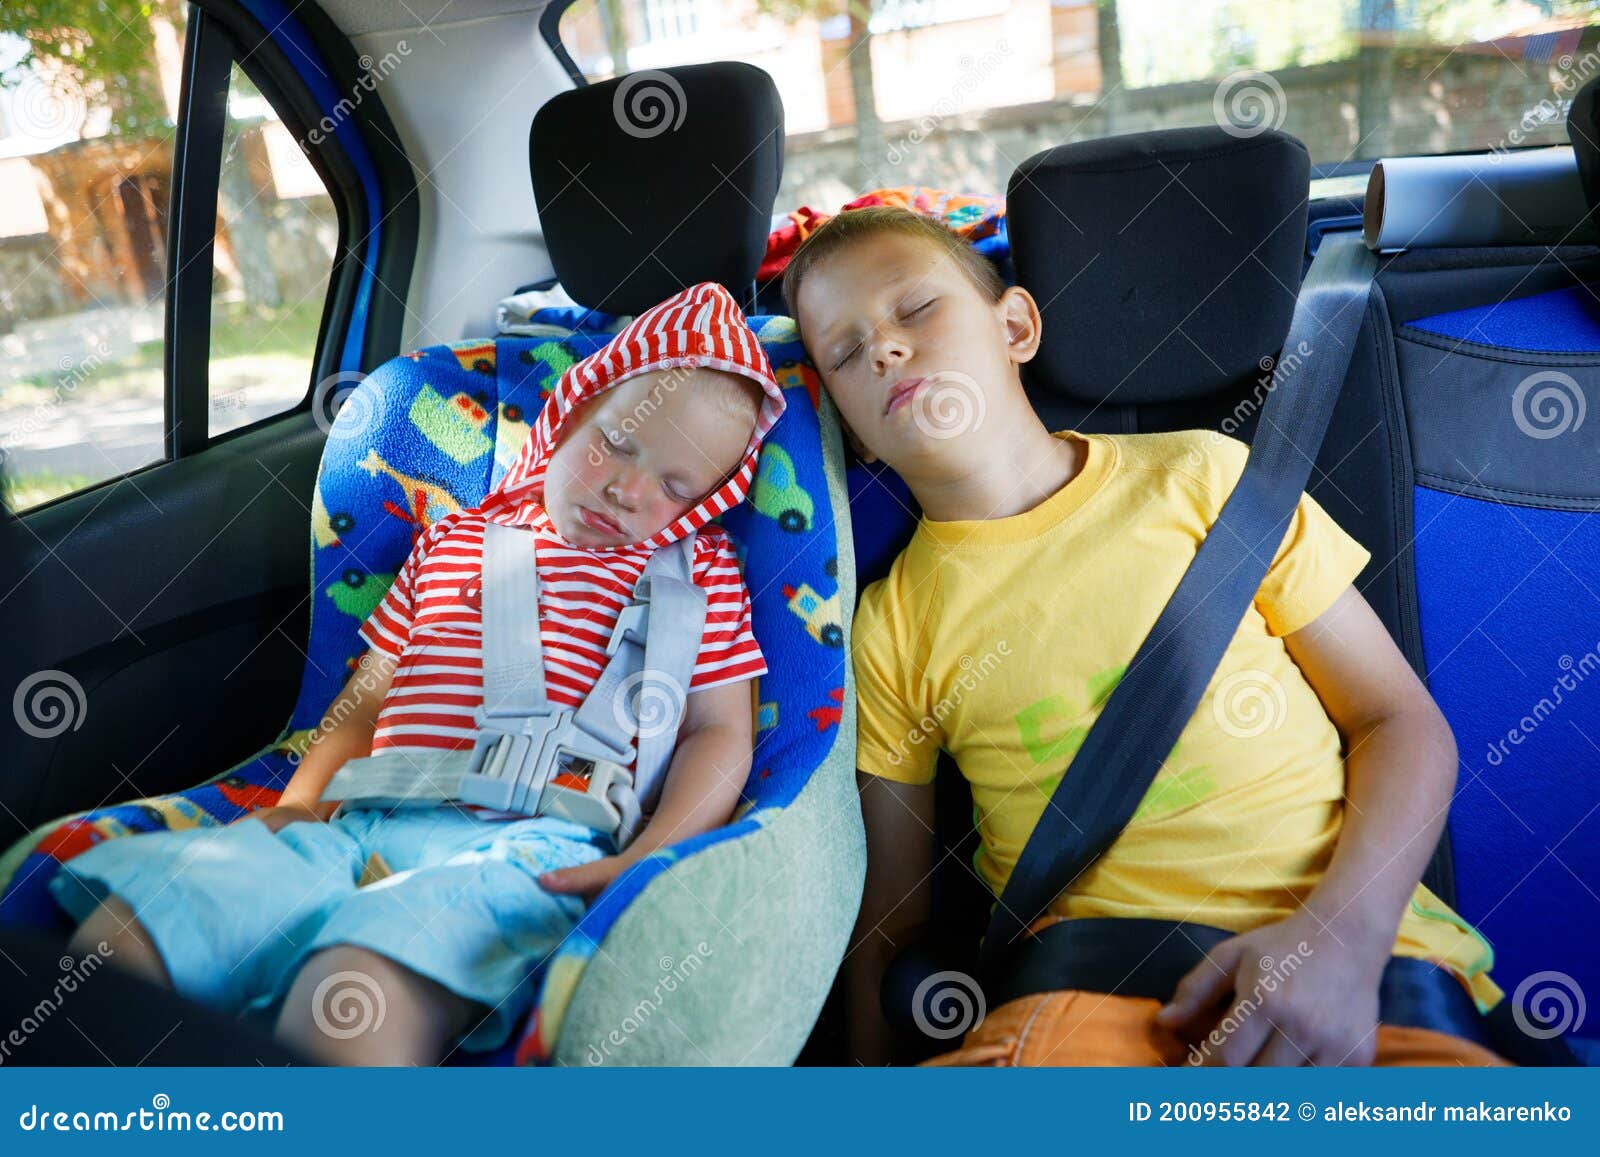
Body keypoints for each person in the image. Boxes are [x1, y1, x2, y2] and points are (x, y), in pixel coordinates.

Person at [784, 206, 1508, 1067]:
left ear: (1014, 328)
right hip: (1083, 999)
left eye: (915, 308)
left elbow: (1399, 721)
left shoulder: (1206, 479)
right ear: (852, 435)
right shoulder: (889, 625)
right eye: (845, 352)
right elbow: (890, 923)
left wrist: (1343, 939)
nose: (884, 349)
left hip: (1362, 967)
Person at [48, 281, 784, 1066]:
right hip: (365, 816)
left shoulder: (698, 580)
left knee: (349, 992)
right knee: (137, 929)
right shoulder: (455, 541)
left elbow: (717, 735)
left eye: (676, 486)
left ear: (708, 501)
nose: (627, 488)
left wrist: (648, 859)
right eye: (618, 442)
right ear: (570, 413)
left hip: (534, 847)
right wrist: (300, 806)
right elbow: (367, 699)